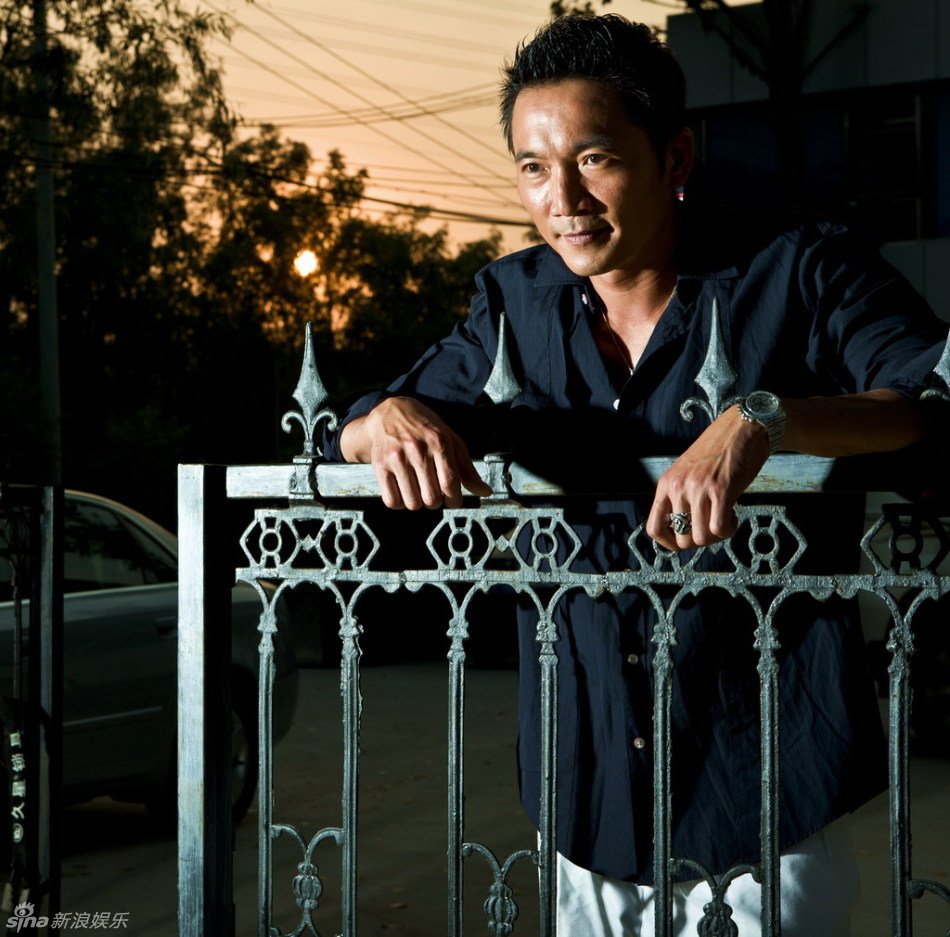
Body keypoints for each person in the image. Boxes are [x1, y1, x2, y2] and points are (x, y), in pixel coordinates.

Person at [325, 14, 947, 935]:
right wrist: (385, 418)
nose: (562, 197)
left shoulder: (800, 266)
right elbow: (353, 430)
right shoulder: (511, 302)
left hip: (767, 788)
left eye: (595, 158)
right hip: (588, 791)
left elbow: (929, 398)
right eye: (534, 167)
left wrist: (765, 419)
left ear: (676, 157)